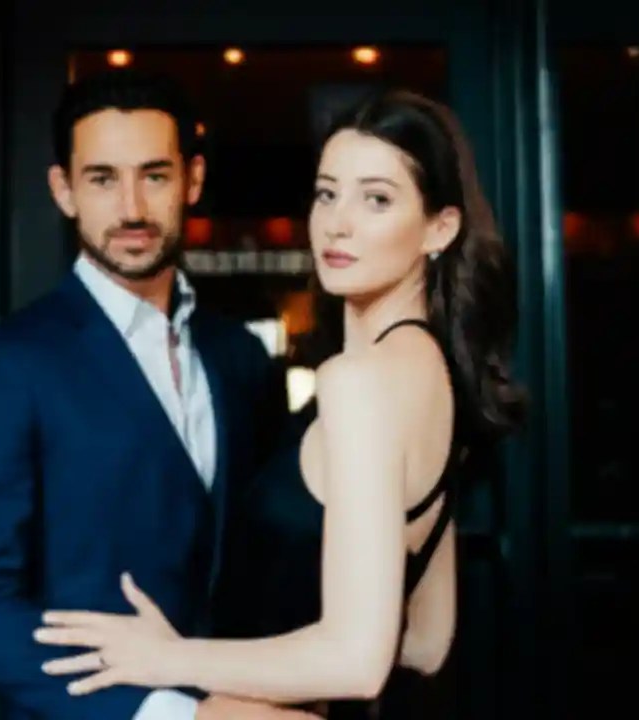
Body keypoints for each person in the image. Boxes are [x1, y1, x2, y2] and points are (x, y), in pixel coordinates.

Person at [34, 89, 527, 718]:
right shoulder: (435, 376)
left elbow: (357, 660)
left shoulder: (361, 383)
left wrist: (165, 657)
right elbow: (426, 643)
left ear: (440, 228)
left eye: (376, 198)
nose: (337, 222)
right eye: (327, 193)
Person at [0, 69, 306, 719]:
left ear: (192, 180)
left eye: (154, 176)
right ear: (64, 190)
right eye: (103, 178)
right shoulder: (8, 364)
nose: (131, 207)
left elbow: (261, 556)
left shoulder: (239, 357)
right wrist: (173, 712)